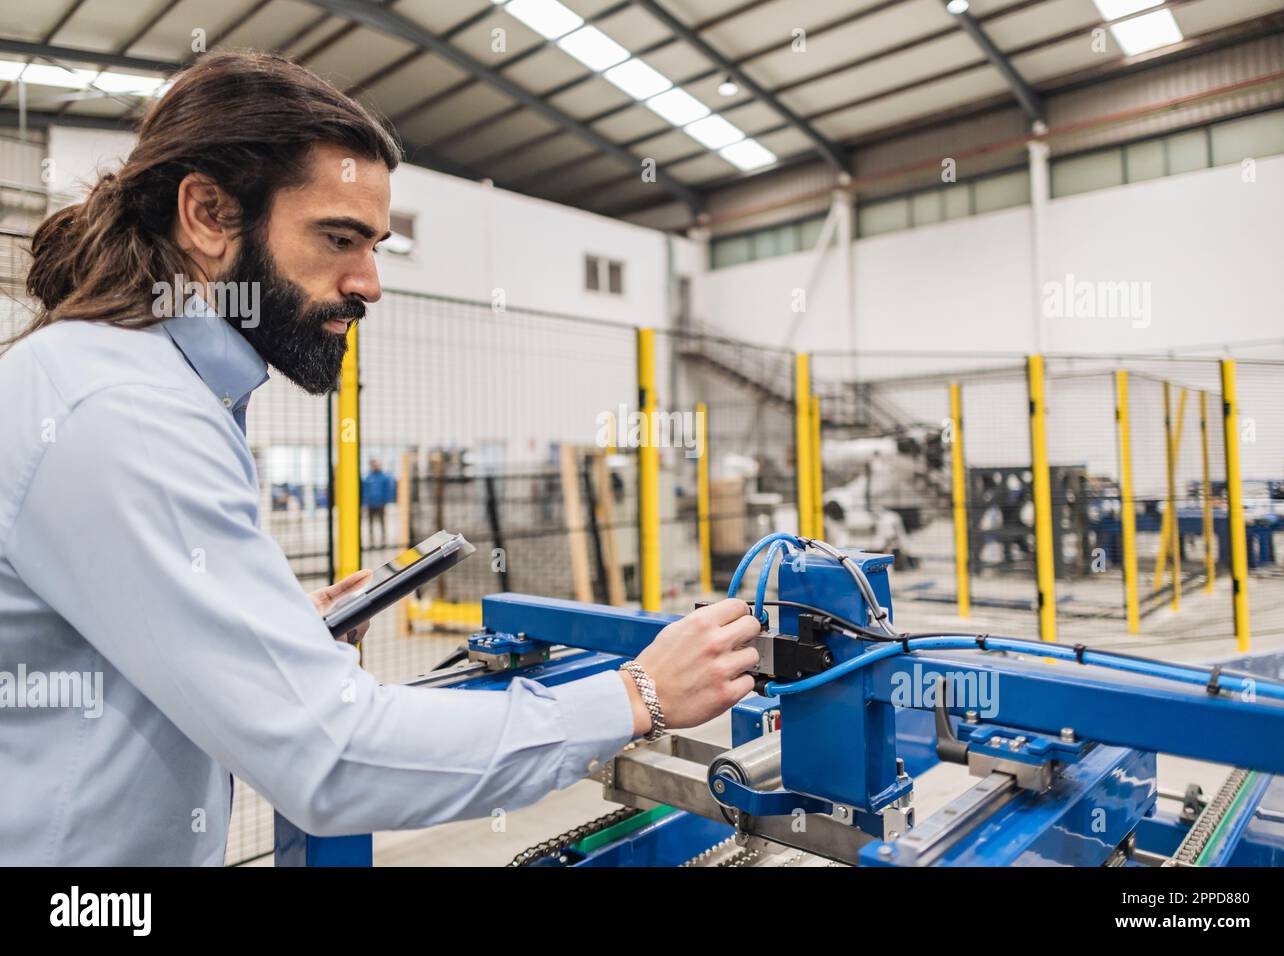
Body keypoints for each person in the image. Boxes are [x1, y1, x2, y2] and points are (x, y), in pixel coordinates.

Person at [0, 52, 760, 865]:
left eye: (377, 246)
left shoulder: (127, 378)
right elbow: (335, 758)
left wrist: (269, 622)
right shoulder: (127, 413)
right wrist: (637, 695)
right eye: (338, 238)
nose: (369, 282)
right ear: (209, 214)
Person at [361, 458, 396, 547]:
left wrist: (386, 501)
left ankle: (383, 540)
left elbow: (388, 490)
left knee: (382, 522)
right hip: (371, 504)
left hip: (381, 503)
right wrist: (365, 503)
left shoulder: (383, 477)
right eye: (374, 465)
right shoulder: (368, 477)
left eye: (377, 465)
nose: (375, 466)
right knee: (370, 523)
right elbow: (365, 491)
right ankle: (371, 541)